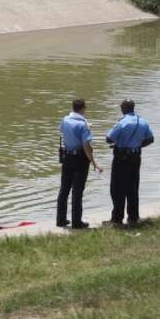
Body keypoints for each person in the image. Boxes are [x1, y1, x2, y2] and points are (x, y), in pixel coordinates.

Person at [104, 99, 155, 227]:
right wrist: (137, 145)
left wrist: (121, 144)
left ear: (123, 109)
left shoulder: (122, 122)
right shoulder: (143, 121)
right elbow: (150, 139)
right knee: (133, 187)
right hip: (136, 157)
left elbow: (108, 138)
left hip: (121, 158)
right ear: (133, 108)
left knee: (117, 188)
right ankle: (133, 217)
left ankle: (117, 218)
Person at [58, 98, 101, 229]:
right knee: (77, 191)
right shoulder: (83, 125)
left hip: (67, 157)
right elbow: (86, 146)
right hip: (80, 159)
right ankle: (77, 222)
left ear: (73, 108)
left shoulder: (65, 120)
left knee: (64, 189)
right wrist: (94, 163)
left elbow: (63, 131)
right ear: (83, 108)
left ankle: (60, 220)